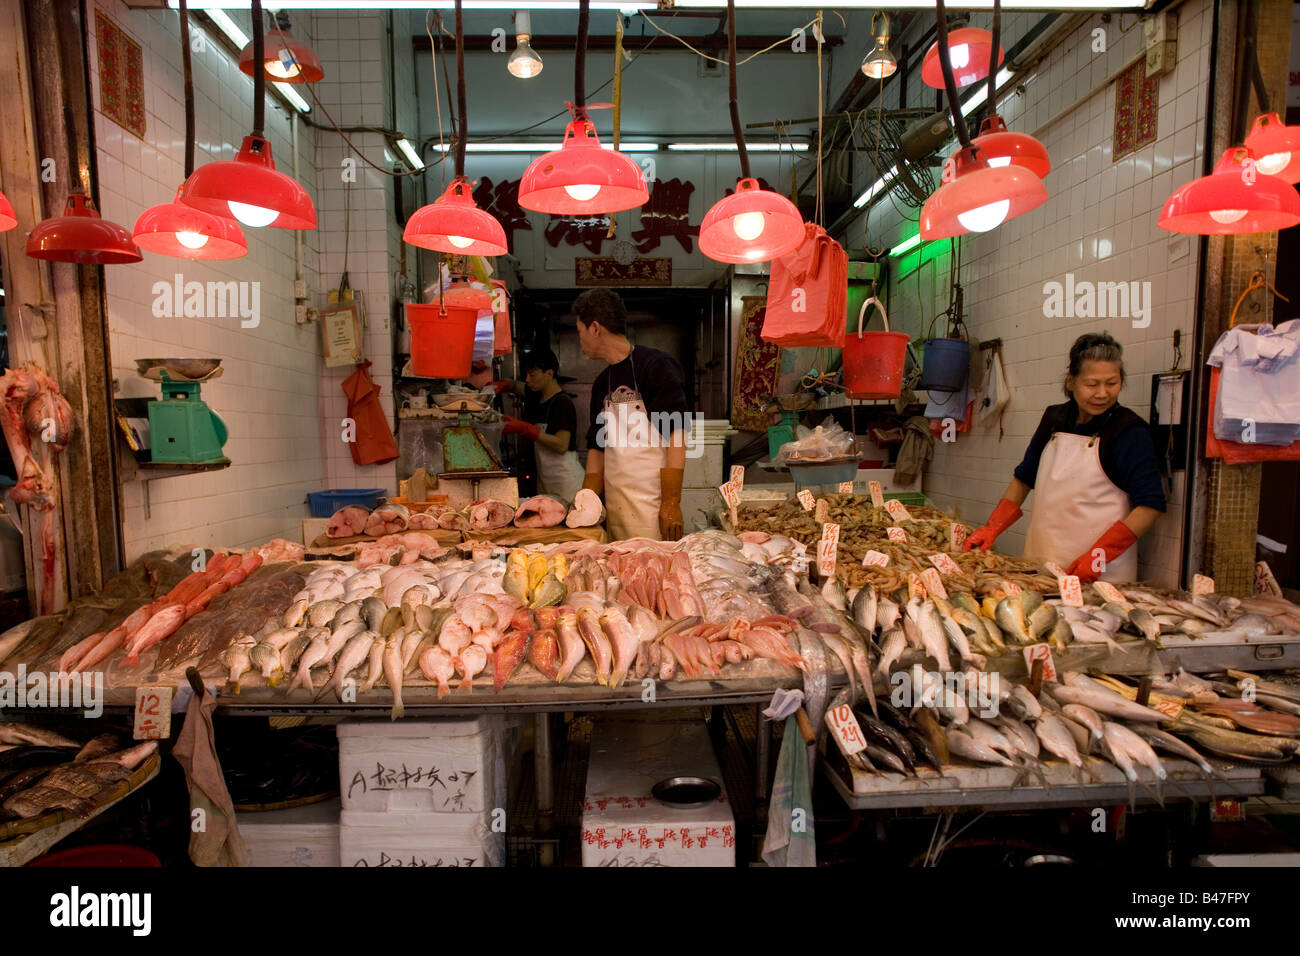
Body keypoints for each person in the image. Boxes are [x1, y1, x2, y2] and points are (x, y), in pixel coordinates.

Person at [963, 332, 1165, 583]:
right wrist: (992, 527)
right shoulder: (1054, 419)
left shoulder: (1129, 432)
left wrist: (1098, 556)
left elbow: (1150, 506)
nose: (1102, 393)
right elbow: (1024, 478)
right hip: (1042, 566)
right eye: (1092, 384)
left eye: (1112, 383)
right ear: (1071, 381)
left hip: (1101, 576)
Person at [574, 288, 689, 541]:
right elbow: (597, 448)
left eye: (580, 331)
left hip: (653, 508)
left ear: (595, 328)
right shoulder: (601, 382)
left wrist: (671, 501)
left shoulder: (656, 366)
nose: (579, 339)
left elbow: (676, 434)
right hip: (617, 508)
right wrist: (585, 504)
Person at [496, 348, 585, 501]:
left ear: (549, 373)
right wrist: (502, 384)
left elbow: (561, 444)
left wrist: (526, 428)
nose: (528, 380)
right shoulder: (537, 395)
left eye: (532, 374)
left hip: (567, 484)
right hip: (546, 482)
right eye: (526, 374)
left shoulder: (562, 403)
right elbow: (516, 386)